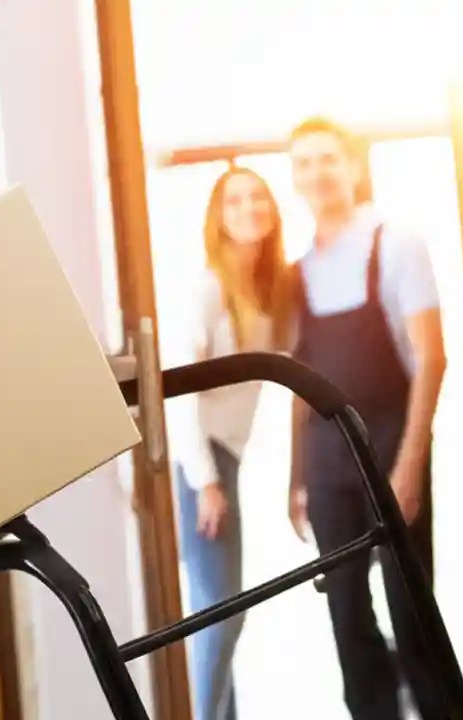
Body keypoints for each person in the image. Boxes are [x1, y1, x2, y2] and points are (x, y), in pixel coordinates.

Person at [285, 117, 446, 720]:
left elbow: (432, 359)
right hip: (327, 462)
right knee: (345, 611)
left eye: (328, 158)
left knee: (411, 608)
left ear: (353, 167)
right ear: (295, 179)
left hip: (389, 443)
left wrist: (409, 467)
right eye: (303, 163)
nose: (318, 172)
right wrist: (295, 477)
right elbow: (294, 387)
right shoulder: (296, 272)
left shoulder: (397, 242)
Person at [174, 165, 289, 720]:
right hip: (203, 463)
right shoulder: (210, 288)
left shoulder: (265, 291)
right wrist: (206, 483)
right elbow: (179, 394)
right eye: (236, 201)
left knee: (221, 607)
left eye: (258, 198)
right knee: (222, 613)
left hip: (229, 457)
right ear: (218, 219)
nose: (249, 208)